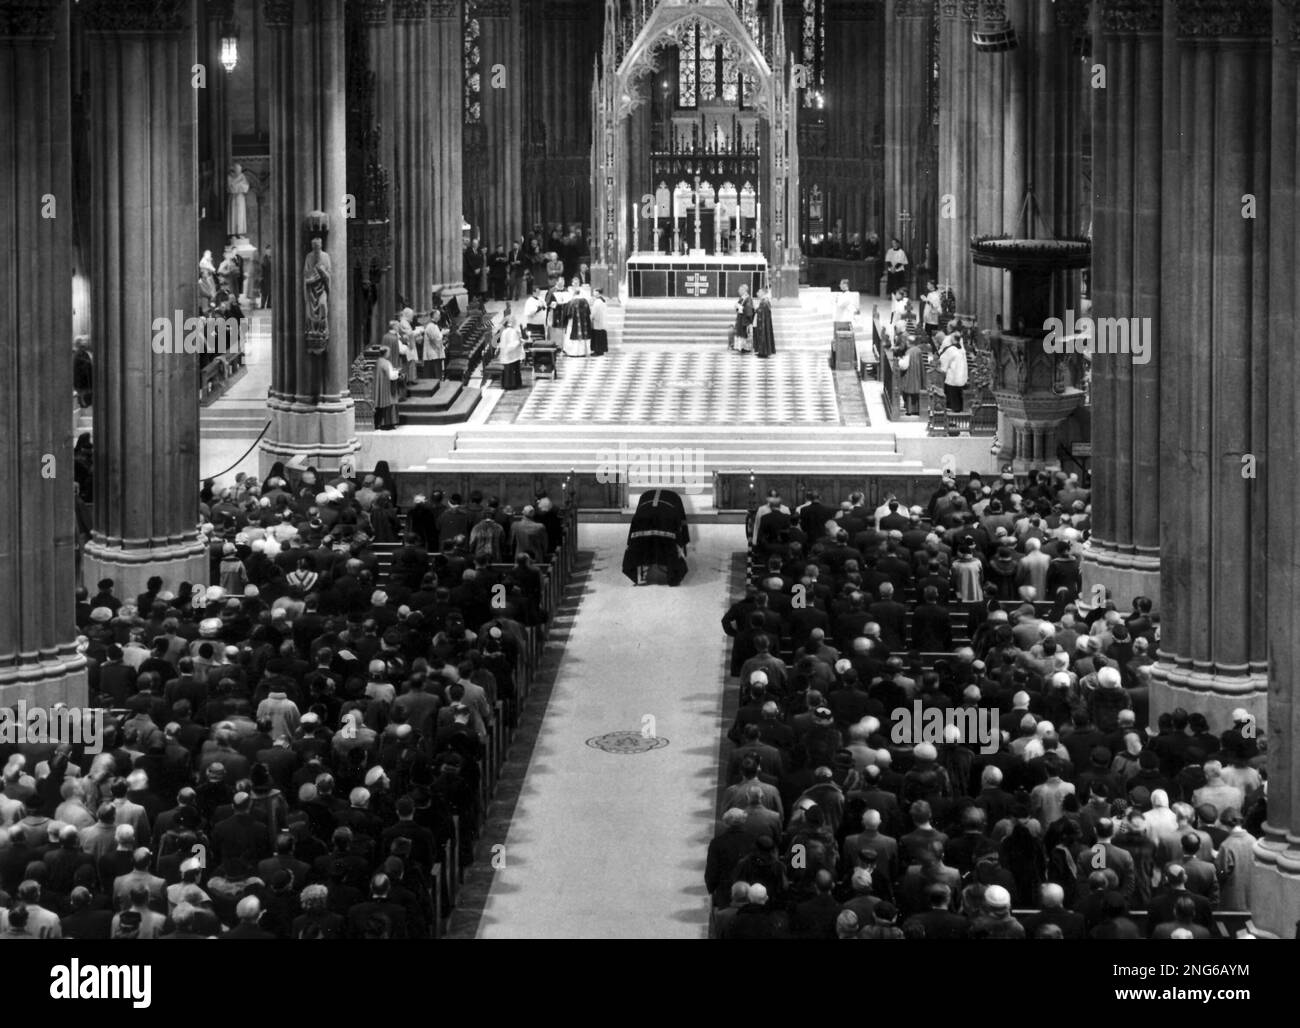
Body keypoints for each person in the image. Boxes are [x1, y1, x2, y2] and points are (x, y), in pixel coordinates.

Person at [938, 324, 968, 413]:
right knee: (959, 403)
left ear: (952, 339)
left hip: (952, 381)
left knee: (952, 404)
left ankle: (952, 419)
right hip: (962, 380)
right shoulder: (962, 350)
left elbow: (942, 363)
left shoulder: (951, 350)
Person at [831, 279, 858, 369]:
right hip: (840, 319)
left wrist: (838, 299)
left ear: (845, 285)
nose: (839, 285)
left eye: (841, 284)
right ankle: (838, 359)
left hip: (845, 321)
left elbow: (840, 304)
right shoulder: (843, 294)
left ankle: (847, 361)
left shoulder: (848, 295)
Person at [372, 345, 400, 431]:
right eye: (389, 353)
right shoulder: (386, 363)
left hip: (379, 386)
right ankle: (387, 423)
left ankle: (379, 423)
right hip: (386, 386)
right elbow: (391, 376)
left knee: (380, 403)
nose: (389, 354)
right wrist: (397, 373)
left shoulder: (378, 361)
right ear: (386, 353)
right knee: (389, 403)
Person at [898, 332, 926, 416]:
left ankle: (909, 410)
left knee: (909, 392)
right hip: (917, 375)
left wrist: (899, 360)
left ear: (908, 342)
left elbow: (904, 366)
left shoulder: (909, 352)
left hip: (910, 375)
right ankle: (916, 410)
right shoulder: (918, 350)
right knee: (916, 391)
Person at [563, 280, 592, 358]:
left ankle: (573, 353)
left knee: (572, 334)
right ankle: (584, 352)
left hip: (573, 323)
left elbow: (567, 314)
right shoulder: (585, 301)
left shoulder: (571, 302)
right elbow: (589, 312)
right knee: (583, 336)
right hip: (584, 324)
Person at [498, 312, 525, 391]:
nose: (515, 322)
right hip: (510, 355)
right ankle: (511, 384)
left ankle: (509, 384)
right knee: (512, 369)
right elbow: (512, 344)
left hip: (507, 355)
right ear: (511, 322)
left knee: (512, 369)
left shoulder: (506, 331)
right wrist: (519, 342)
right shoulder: (511, 332)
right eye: (514, 321)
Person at [752, 287, 775, 359]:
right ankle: (761, 351)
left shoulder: (764, 301)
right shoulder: (763, 301)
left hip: (763, 323)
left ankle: (763, 352)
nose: (757, 293)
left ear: (763, 293)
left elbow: (762, 312)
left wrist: (756, 309)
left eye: (759, 292)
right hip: (761, 322)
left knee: (763, 336)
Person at [732, 284, 754, 354]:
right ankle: (740, 347)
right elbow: (738, 307)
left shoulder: (748, 298)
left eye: (740, 290)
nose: (738, 291)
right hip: (740, 318)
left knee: (744, 334)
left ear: (744, 290)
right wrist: (737, 307)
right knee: (740, 333)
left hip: (745, 320)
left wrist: (741, 308)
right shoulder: (742, 298)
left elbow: (749, 310)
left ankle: (745, 348)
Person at [590, 288, 609, 356]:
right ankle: (601, 350)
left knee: (597, 336)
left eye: (594, 292)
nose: (593, 293)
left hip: (597, 321)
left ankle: (597, 351)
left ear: (598, 293)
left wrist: (591, 318)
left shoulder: (597, 301)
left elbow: (594, 312)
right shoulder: (603, 300)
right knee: (601, 336)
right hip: (601, 321)